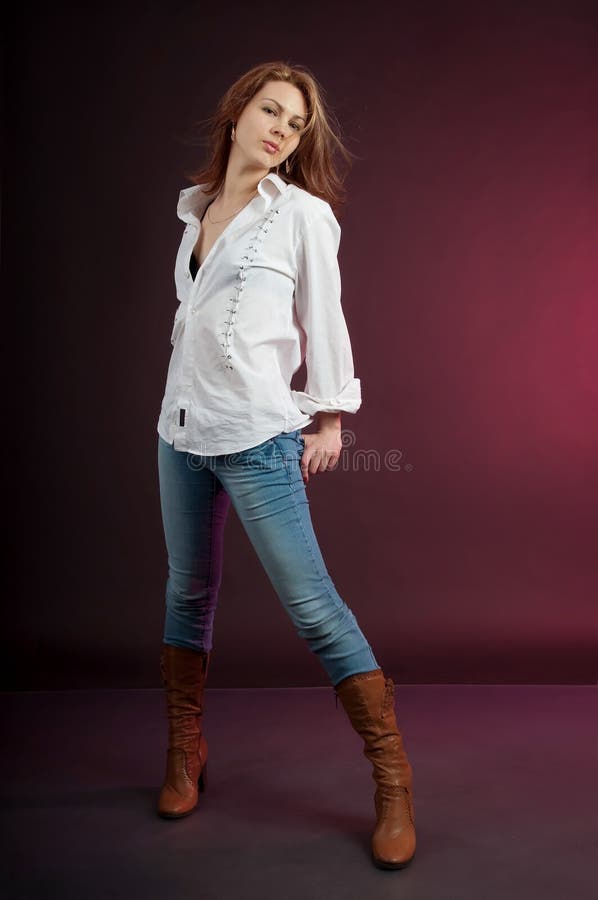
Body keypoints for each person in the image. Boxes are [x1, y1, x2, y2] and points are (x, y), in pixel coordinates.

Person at [155, 60, 416, 870]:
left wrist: (330, 413)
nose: (280, 129)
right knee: (188, 590)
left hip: (260, 436)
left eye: (295, 123)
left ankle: (394, 781)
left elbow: (322, 315)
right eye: (270, 111)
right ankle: (184, 753)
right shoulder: (196, 210)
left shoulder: (301, 215)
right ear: (237, 112)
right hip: (180, 431)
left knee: (313, 609)